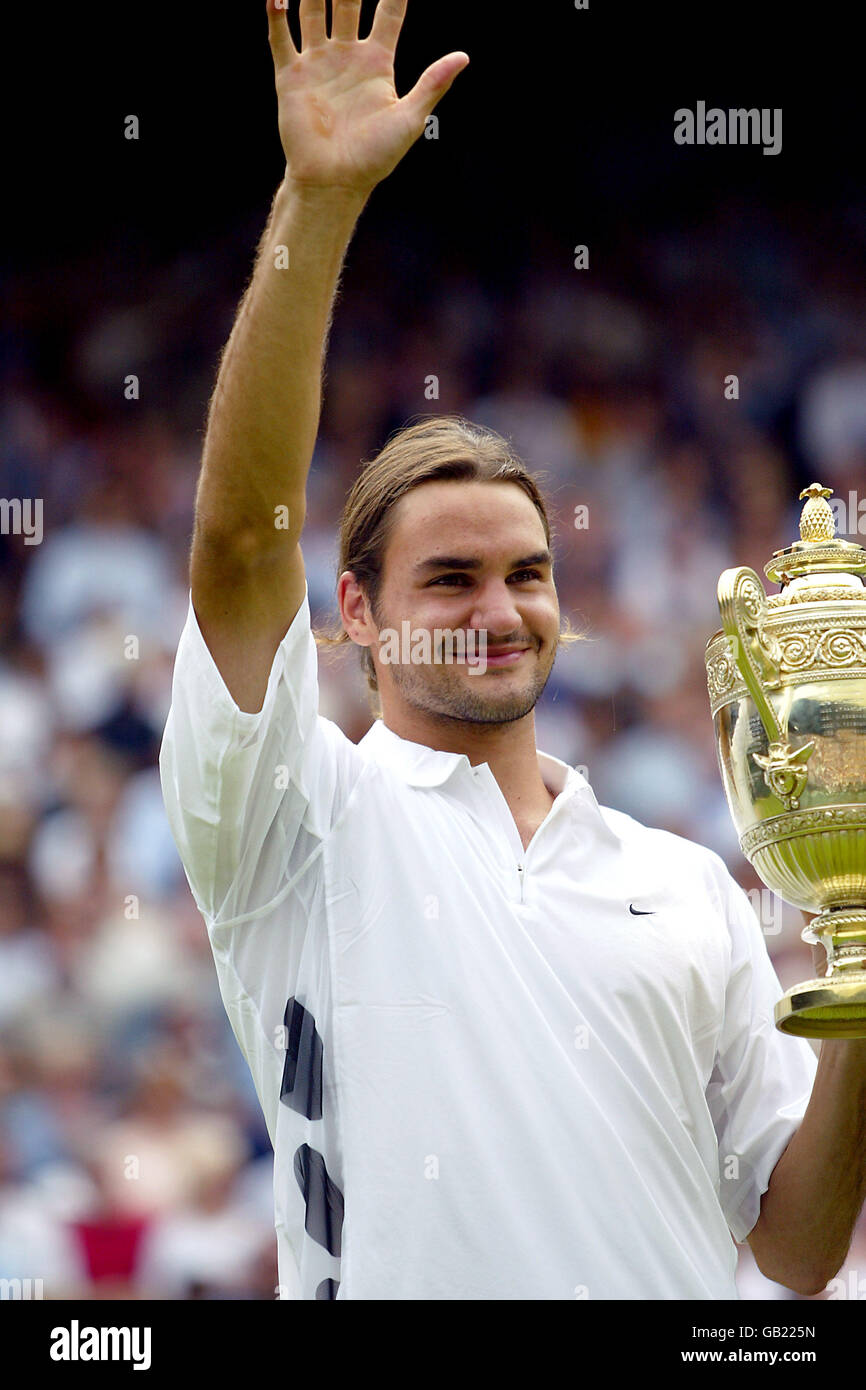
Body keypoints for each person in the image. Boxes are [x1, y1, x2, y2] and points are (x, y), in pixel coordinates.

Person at [159, 0, 866, 1299]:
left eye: (527, 573)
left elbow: (796, 1242)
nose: (501, 607)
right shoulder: (297, 822)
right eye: (451, 576)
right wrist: (316, 206)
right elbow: (237, 545)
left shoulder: (688, 882)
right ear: (358, 613)